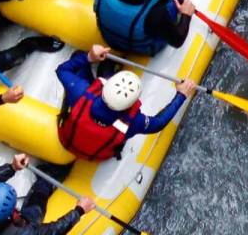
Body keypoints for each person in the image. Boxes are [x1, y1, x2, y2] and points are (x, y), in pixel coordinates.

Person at [54, 45, 198, 162]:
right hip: (99, 154)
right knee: (104, 69)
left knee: (79, 55)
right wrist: (181, 94)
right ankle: (108, 67)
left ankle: (103, 69)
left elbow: (62, 70)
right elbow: (158, 123)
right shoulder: (134, 122)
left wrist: (89, 57)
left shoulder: (79, 92)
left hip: (67, 139)